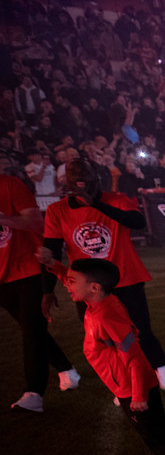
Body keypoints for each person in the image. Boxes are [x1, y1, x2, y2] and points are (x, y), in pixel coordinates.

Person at [44, 257, 165, 455]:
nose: (67, 285)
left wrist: (138, 395)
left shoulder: (107, 316)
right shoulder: (98, 302)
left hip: (134, 388)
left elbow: (135, 357)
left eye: (71, 282)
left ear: (94, 287)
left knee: (156, 435)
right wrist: (55, 266)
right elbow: (80, 277)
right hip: (125, 386)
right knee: (150, 433)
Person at [43, 157, 165, 389]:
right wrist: (47, 290)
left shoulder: (117, 200)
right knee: (102, 339)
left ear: (95, 177)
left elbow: (137, 222)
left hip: (126, 277)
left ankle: (161, 367)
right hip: (88, 287)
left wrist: (95, 204)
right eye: (75, 177)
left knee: (140, 329)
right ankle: (123, 382)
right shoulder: (57, 211)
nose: (81, 182)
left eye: (84, 176)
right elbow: (52, 252)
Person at [3, 172, 79, 412]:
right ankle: (66, 369)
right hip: (2, 272)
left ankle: (34, 393)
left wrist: (3, 218)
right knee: (31, 328)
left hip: (28, 266)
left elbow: (35, 222)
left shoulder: (9, 184)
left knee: (32, 331)